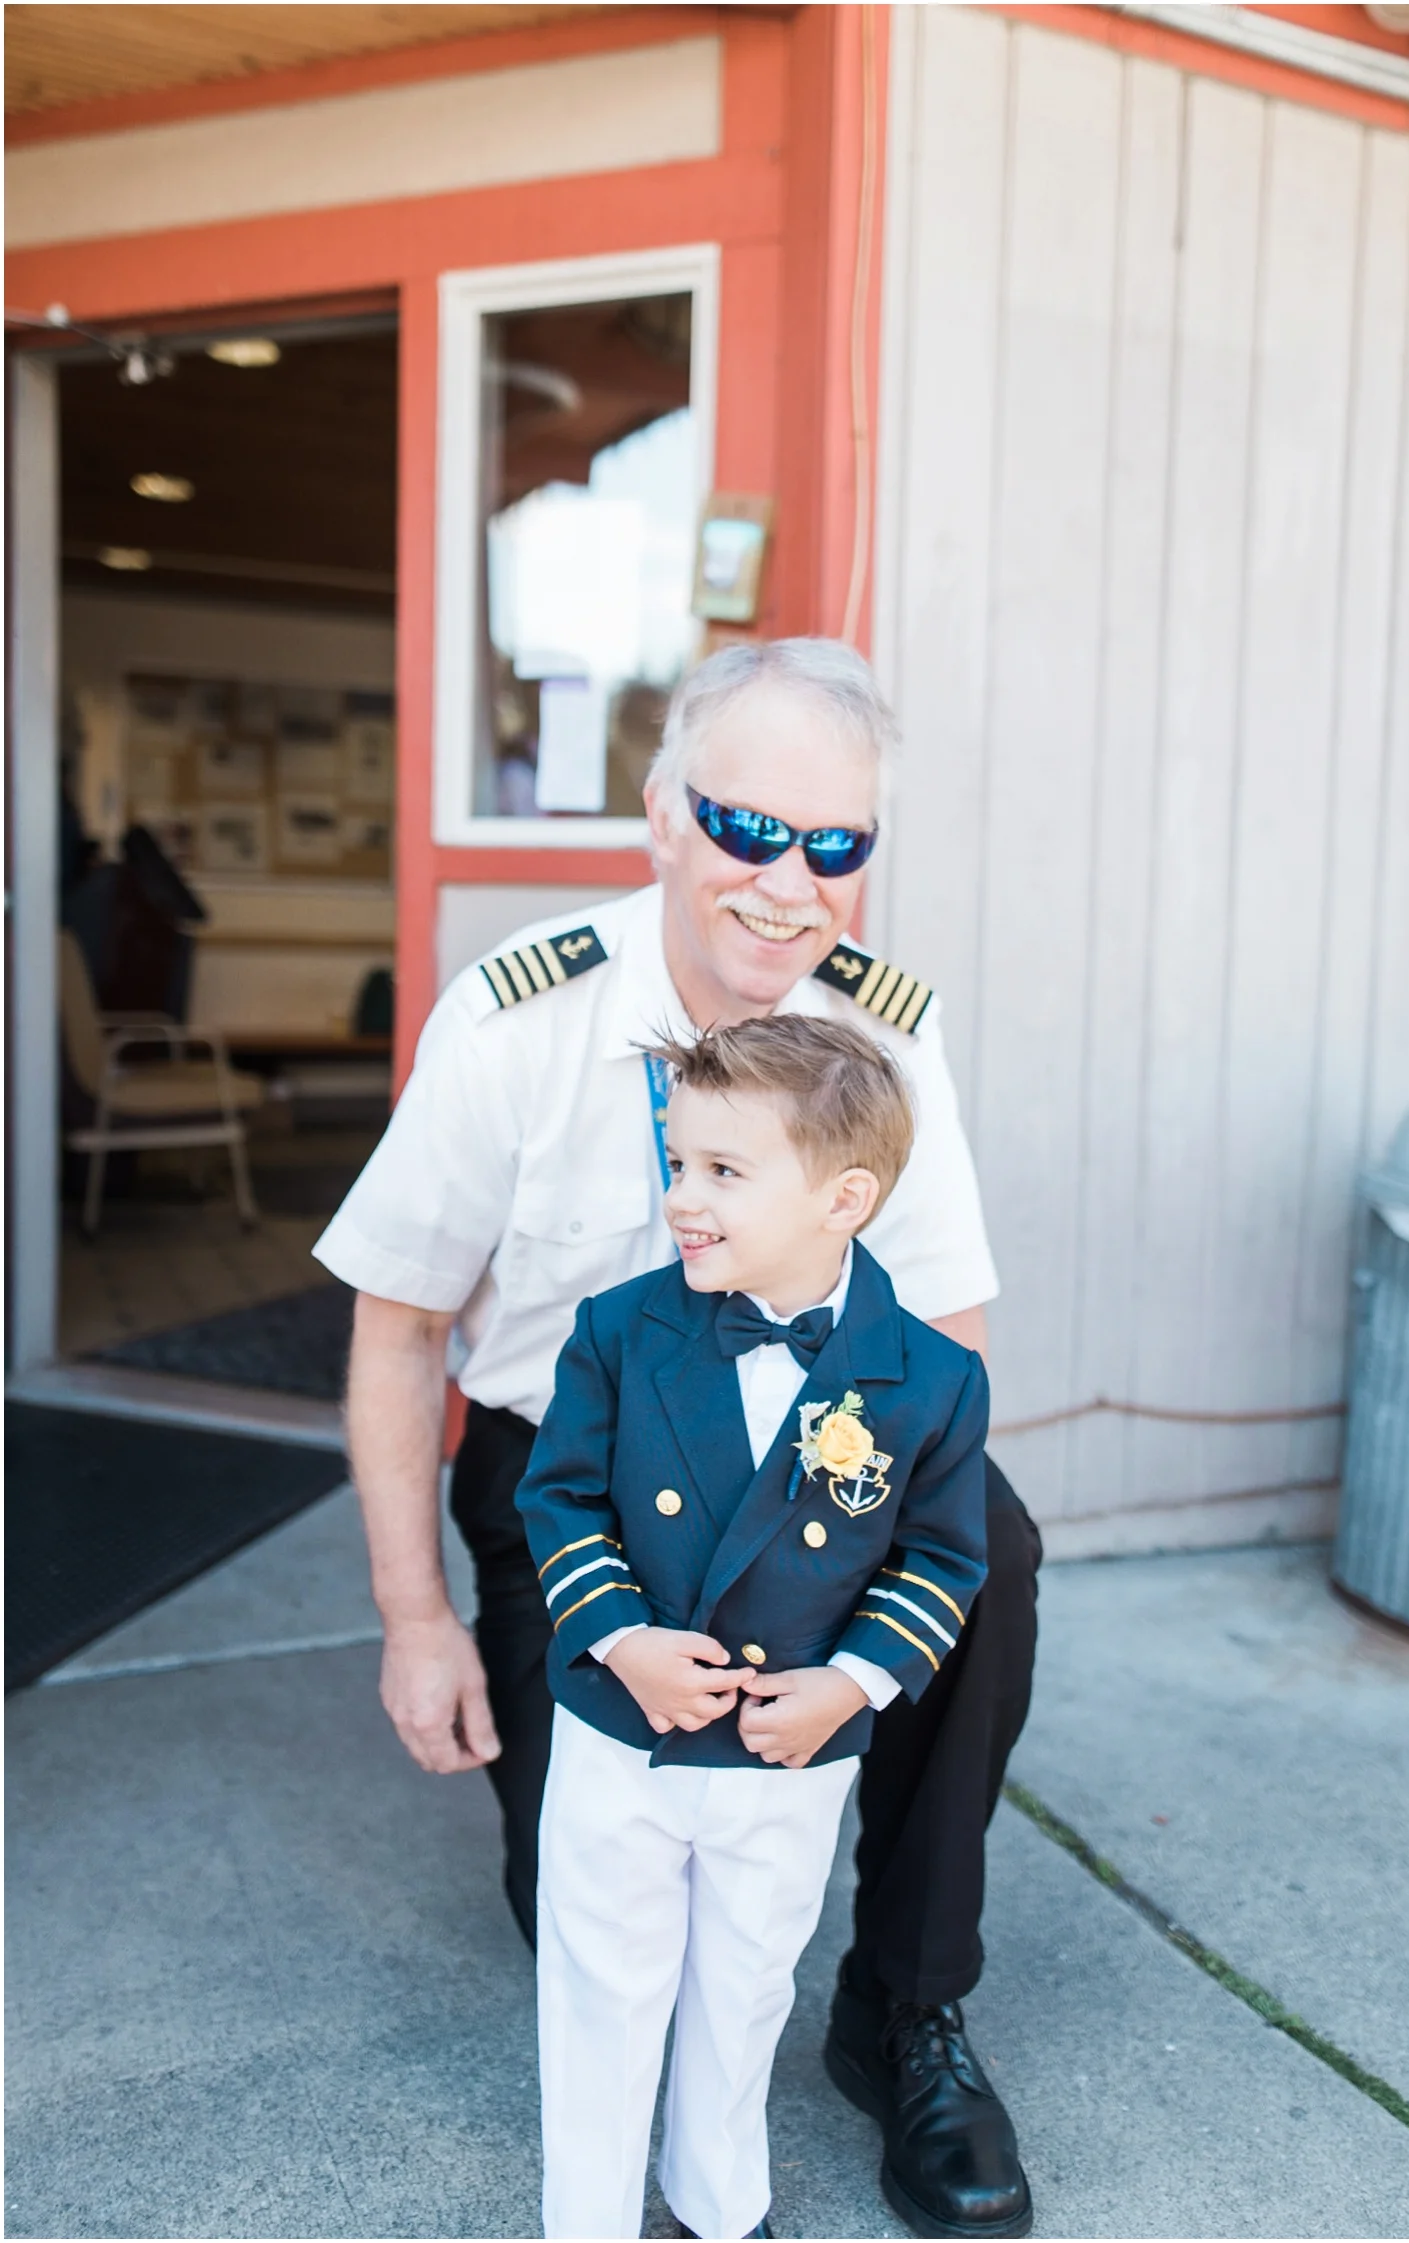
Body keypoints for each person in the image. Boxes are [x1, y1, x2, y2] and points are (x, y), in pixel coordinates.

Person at [314, 637, 1041, 2240]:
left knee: (991, 1533)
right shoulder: (523, 1016)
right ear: (659, 814)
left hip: (813, 1474)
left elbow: (950, 1346)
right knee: (569, 1907)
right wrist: (414, 1617)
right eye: (748, 826)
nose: (791, 882)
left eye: (836, 844)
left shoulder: (884, 1043)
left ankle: (906, 2006)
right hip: (572, 1488)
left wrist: (853, 1634)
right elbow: (399, 1321)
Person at [517, 1016, 991, 2241]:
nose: (685, 1199)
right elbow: (558, 1494)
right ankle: (590, 2219)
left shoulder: (927, 1374)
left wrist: (850, 1684)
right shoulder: (621, 1329)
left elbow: (942, 1557)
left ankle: (722, 2206)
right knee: (601, 1993)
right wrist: (621, 1636)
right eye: (679, 1163)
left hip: (787, 1751)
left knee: (743, 1993)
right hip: (623, 1731)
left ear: (846, 1197)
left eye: (725, 1173)